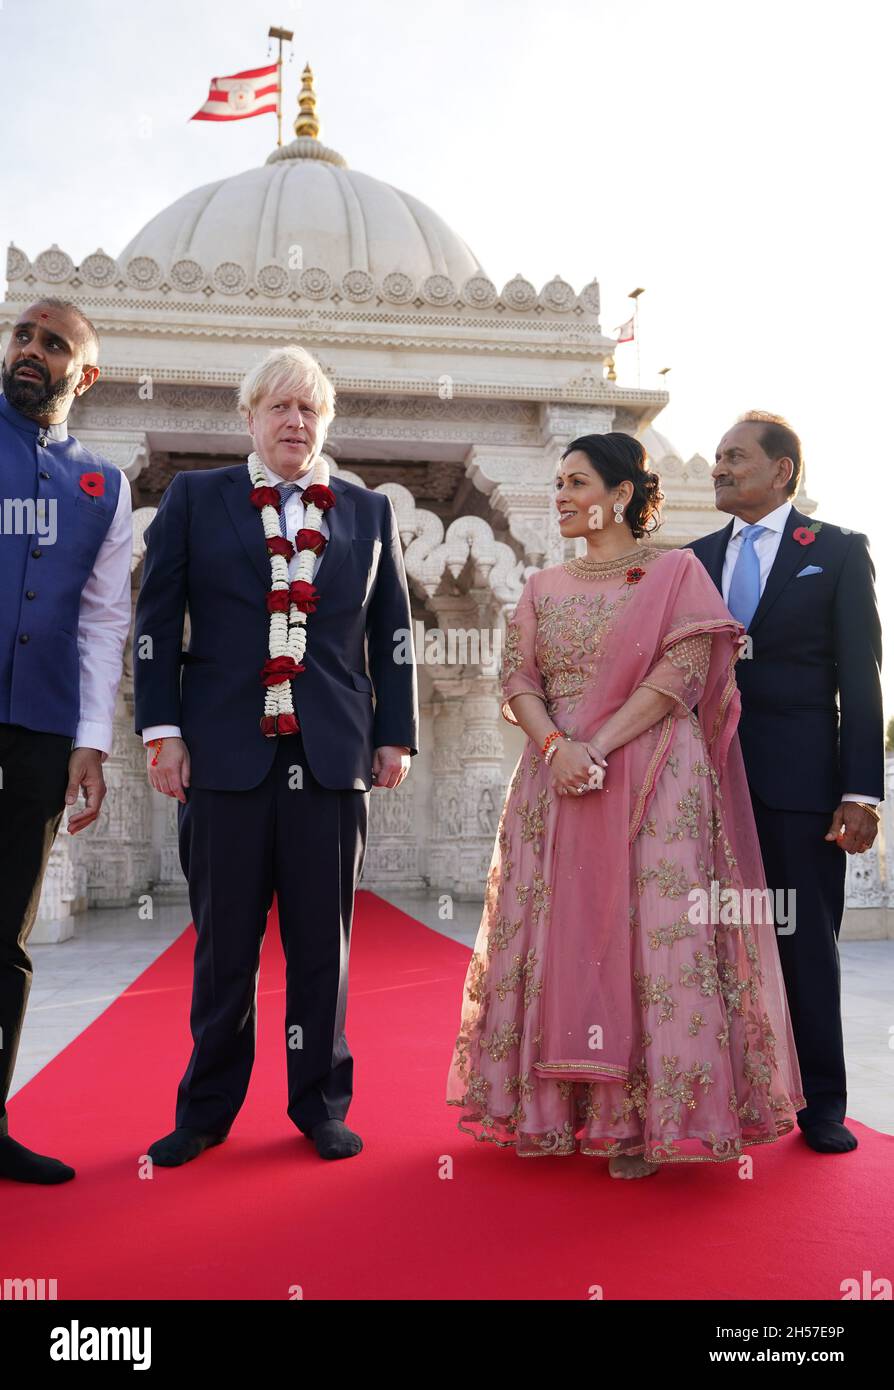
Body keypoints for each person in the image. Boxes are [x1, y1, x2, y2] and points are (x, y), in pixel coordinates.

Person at [446, 432, 805, 1178]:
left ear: (619, 495)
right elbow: (518, 682)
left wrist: (596, 746)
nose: (563, 497)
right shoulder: (544, 587)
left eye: (577, 482)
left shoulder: (673, 575)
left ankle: (642, 1121)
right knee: (559, 932)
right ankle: (564, 1110)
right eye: (558, 483)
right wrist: (557, 750)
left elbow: (683, 673)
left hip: (652, 775)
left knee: (655, 933)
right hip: (558, 778)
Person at [134, 345, 418, 1166]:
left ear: (325, 422)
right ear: (250, 418)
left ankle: (321, 1103)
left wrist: (394, 731)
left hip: (331, 757)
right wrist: (162, 732)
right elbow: (157, 624)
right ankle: (207, 1111)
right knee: (225, 946)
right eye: (279, 408)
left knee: (321, 944)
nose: (295, 422)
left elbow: (390, 631)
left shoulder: (367, 510)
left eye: (310, 410)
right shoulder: (195, 497)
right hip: (224, 755)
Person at [688, 411, 884, 1154]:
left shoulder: (834, 553)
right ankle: (725, 1093)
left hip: (800, 789)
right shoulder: (692, 559)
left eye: (735, 458)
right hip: (702, 785)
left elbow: (861, 679)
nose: (720, 468)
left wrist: (861, 792)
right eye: (715, 458)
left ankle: (822, 1105)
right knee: (706, 940)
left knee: (804, 944)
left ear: (782, 472)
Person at [0, 298, 132, 1184]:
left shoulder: (104, 486)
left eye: (54, 345)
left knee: (5, 935)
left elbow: (102, 620)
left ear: (84, 376)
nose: (30, 351)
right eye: (22, 335)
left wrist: (90, 742)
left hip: (41, 734)